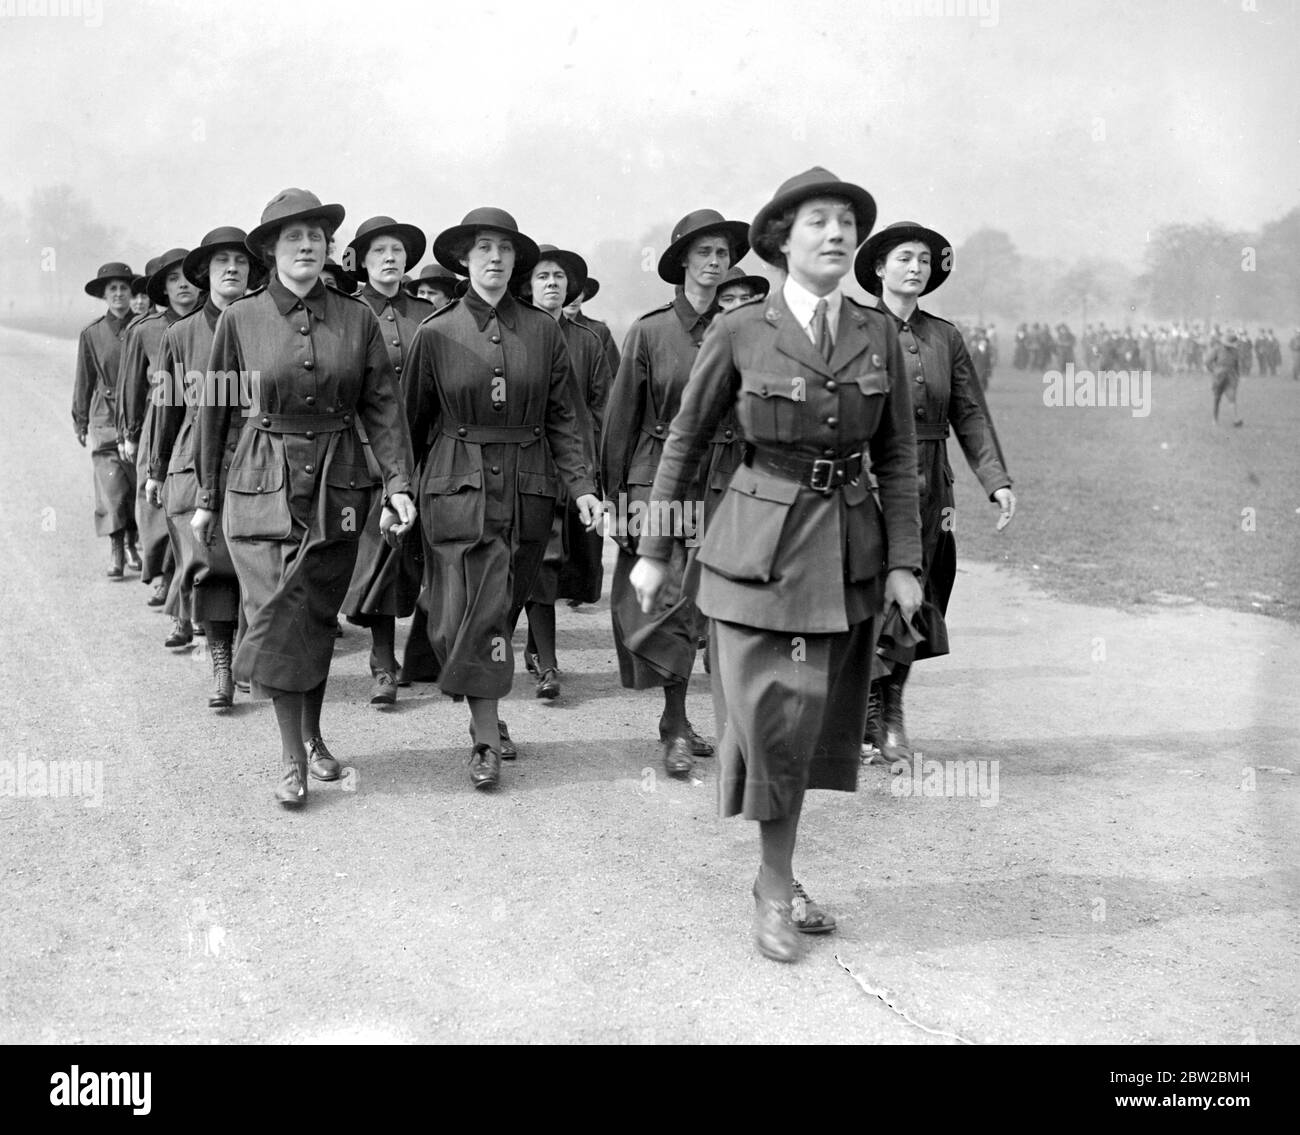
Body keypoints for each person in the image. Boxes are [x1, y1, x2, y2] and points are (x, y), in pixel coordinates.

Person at [630, 167, 924, 962]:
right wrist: (654, 549)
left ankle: (778, 873)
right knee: (770, 720)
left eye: (846, 224)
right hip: (755, 555)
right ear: (782, 241)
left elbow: (897, 455)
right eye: (818, 222)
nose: (835, 235)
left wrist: (905, 562)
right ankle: (772, 883)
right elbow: (684, 442)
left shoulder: (879, 334)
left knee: (814, 725)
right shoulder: (740, 330)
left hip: (848, 554)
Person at [193, 188, 417, 807]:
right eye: (293, 237)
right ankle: (293, 756)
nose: (307, 246)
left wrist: (398, 484)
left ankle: (313, 736)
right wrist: (207, 496)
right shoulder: (240, 319)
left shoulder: (358, 318)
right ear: (269, 250)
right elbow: (213, 410)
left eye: (316, 236)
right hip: (260, 482)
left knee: (315, 615)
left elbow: (382, 410)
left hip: (339, 482)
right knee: (275, 609)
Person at [404, 207, 600, 789]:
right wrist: (400, 493)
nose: (494, 258)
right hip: (454, 486)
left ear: (517, 261)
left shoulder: (544, 332)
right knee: (470, 610)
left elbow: (566, 418)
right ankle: (486, 737)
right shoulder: (435, 332)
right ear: (464, 260)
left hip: (529, 487)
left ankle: (483, 710)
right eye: (483, 248)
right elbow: (411, 424)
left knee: (502, 607)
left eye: (505, 249)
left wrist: (584, 488)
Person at [856, 221, 1015, 766]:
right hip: (867, 477)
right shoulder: (853, 328)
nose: (915, 269)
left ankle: (891, 714)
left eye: (924, 260)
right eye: (904, 258)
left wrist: (995, 481)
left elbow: (969, 411)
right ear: (879, 268)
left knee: (918, 593)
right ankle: (868, 716)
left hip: (931, 480)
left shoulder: (944, 336)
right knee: (869, 592)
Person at [602, 207, 748, 775]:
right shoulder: (650, 330)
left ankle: (724, 725)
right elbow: (620, 421)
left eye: (722, 253)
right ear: (682, 261)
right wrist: (614, 497)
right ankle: (674, 722)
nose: (715, 263)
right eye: (704, 253)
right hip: (658, 475)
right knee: (669, 600)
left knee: (718, 600)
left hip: (725, 479)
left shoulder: (746, 327)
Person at [146, 227, 261, 709]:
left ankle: (249, 655)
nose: (232, 268)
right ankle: (221, 665)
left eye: (240, 260)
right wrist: (156, 469)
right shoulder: (181, 333)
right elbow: (166, 408)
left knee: (258, 563)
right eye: (221, 263)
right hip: (197, 458)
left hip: (257, 455)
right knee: (212, 566)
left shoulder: (265, 324)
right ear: (206, 274)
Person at [338, 215, 435, 705]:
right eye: (378, 252)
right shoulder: (349, 314)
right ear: (363, 262)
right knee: (379, 554)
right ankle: (382, 663)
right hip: (367, 455)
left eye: (397, 251)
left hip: (428, 453)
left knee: (424, 558)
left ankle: (424, 654)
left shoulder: (429, 314)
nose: (390, 259)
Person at [513, 243, 610, 699]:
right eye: (542, 276)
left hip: (575, 468)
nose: (552, 284)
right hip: (529, 465)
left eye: (558, 277)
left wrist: (594, 471)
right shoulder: (514, 334)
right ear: (527, 285)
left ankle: (536, 648)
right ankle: (548, 663)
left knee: (564, 561)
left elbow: (601, 407)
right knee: (542, 559)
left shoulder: (589, 341)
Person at [118, 247, 200, 639]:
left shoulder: (217, 321)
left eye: (187, 276)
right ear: (162, 290)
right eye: (172, 279)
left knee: (195, 519)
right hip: (159, 425)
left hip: (204, 424)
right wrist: (130, 434)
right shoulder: (146, 329)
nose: (182, 284)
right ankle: (173, 595)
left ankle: (192, 608)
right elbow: (131, 386)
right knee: (161, 516)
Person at [73, 263, 143, 579]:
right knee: (111, 486)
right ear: (104, 295)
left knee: (133, 486)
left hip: (139, 417)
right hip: (105, 417)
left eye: (123, 289)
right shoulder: (92, 333)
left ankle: (132, 542)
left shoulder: (145, 328)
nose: (118, 294)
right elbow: (84, 380)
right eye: (112, 289)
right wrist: (81, 419)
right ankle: (116, 549)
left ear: (131, 294)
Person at [565, 275, 621, 380]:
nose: (574, 299)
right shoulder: (548, 330)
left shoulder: (599, 331)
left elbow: (615, 375)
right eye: (569, 292)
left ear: (584, 295)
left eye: (579, 292)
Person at [1208, 330, 1243, 426]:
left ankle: (1236, 419)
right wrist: (1214, 371)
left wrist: (1237, 376)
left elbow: (1236, 365)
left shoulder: (1235, 352)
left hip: (1231, 377)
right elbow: (1208, 362)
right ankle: (1215, 420)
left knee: (1232, 398)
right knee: (1217, 398)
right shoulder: (1217, 349)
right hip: (1219, 377)